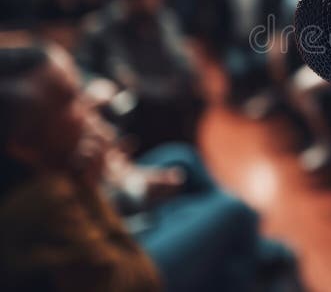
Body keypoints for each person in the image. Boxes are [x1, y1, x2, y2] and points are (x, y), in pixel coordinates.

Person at [0, 41, 298, 292]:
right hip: (135, 268)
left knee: (181, 157)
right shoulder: (42, 203)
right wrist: (90, 187)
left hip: (114, 227)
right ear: (23, 143)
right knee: (234, 212)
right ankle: (261, 258)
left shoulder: (44, 167)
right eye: (70, 98)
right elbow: (139, 279)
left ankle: (253, 254)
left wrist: (126, 182)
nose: (88, 105)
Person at [76, 0, 204, 152]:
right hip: (131, 126)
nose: (148, 1)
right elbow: (81, 70)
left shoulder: (165, 21)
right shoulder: (100, 28)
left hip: (168, 115)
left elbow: (182, 73)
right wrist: (93, 81)